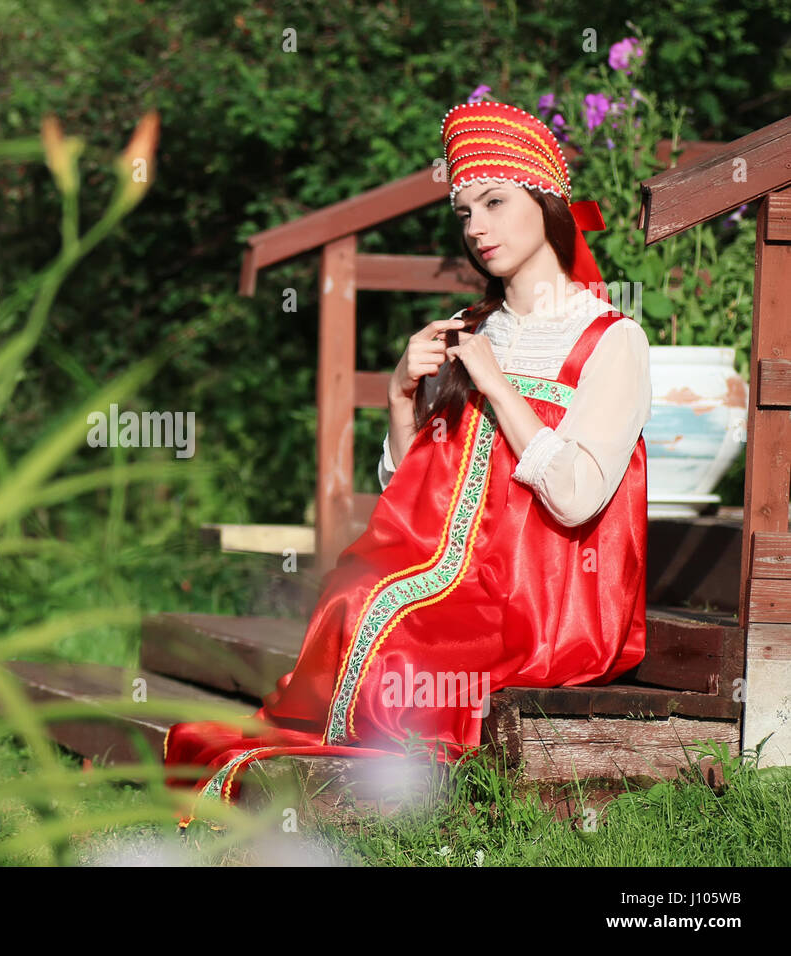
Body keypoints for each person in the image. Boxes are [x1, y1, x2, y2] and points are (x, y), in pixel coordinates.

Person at [163, 100, 652, 830]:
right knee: (353, 593)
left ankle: (392, 805)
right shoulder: (475, 330)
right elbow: (414, 487)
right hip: (460, 566)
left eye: (494, 202)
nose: (475, 227)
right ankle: (338, 782)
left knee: (405, 638)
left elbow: (579, 500)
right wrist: (399, 394)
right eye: (463, 212)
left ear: (547, 203)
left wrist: (496, 387)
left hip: (550, 597)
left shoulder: (612, 340)